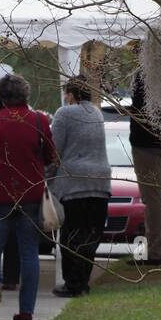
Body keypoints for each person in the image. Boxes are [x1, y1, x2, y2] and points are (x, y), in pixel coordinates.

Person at [0, 74, 56, 320]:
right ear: (25, 94)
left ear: (0, 94)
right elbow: (50, 155)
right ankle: (26, 310)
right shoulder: (40, 120)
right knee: (29, 252)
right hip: (30, 193)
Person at [49, 77, 112, 296]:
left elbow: (53, 149)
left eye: (67, 94)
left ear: (72, 94)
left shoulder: (64, 113)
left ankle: (73, 284)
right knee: (91, 233)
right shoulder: (96, 113)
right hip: (101, 181)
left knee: (71, 234)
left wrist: (48, 177)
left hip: (75, 181)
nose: (65, 98)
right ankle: (83, 281)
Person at [128, 40, 161, 266]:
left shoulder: (145, 77)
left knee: (152, 200)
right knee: (156, 199)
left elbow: (139, 109)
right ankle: (153, 248)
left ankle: (155, 253)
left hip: (147, 144)